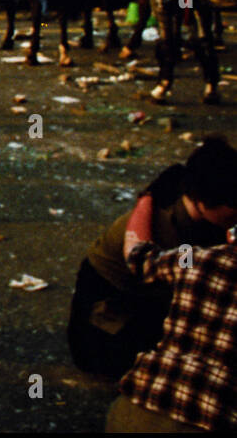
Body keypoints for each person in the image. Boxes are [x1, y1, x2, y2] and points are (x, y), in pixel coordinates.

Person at [69, 138, 236, 379]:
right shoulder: (168, 232)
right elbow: (193, 293)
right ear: (203, 201)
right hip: (107, 329)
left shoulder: (188, 195)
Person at [107, 136, 237, 432]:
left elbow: (138, 255)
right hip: (212, 419)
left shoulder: (198, 260)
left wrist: (148, 197)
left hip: (137, 408)